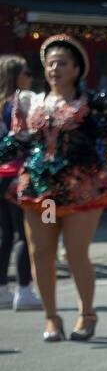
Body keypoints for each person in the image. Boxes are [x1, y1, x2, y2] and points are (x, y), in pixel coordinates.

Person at [0, 34, 107, 342]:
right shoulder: (29, 101)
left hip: (81, 188)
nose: (54, 68)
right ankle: (51, 317)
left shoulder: (94, 103)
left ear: (77, 69)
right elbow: (16, 141)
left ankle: (86, 313)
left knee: (74, 253)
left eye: (62, 63)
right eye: (50, 63)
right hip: (43, 192)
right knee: (42, 252)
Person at [0, 55, 40, 311]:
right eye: (26, 71)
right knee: (26, 235)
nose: (30, 76)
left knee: (5, 234)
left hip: (0, 175)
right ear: (16, 75)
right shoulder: (22, 101)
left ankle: (2, 288)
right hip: (19, 174)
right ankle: (24, 289)